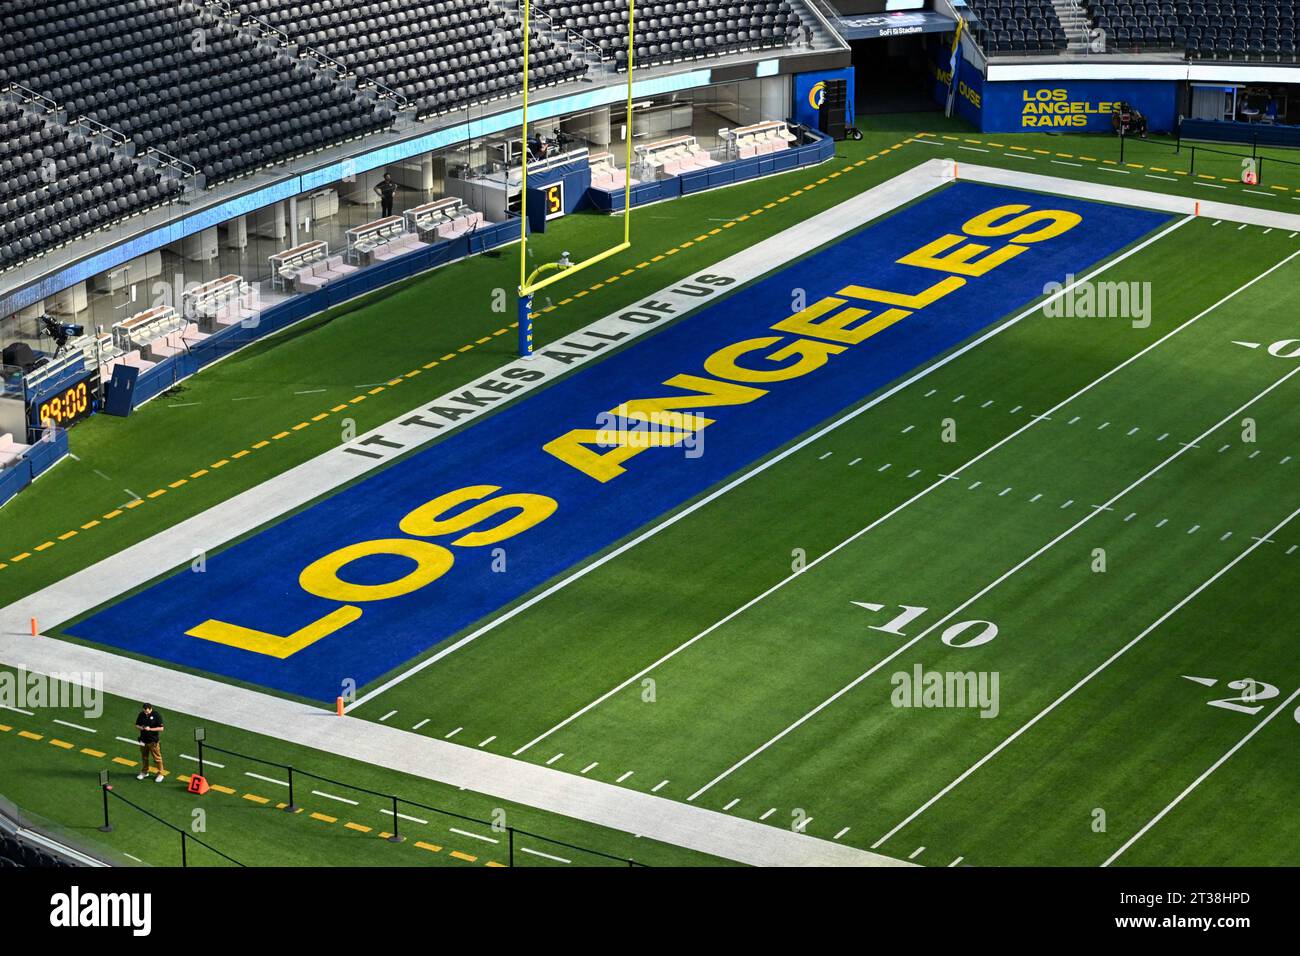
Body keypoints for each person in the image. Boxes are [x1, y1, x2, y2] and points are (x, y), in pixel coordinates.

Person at [135, 703, 166, 782]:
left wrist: (150, 729)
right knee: (144, 757)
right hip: (143, 740)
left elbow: (161, 728)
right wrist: (141, 728)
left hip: (153, 741)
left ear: (150, 709)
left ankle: (160, 774)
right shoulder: (141, 714)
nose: (146, 713)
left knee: (157, 758)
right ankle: (144, 772)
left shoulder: (156, 715)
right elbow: (137, 725)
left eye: (147, 711)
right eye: (144, 711)